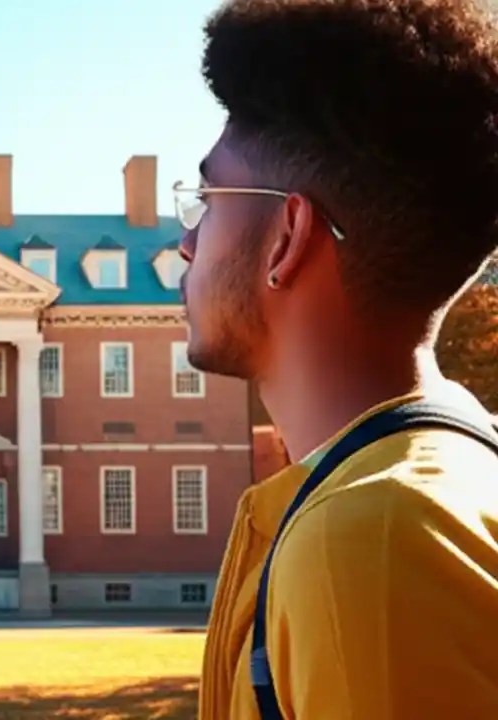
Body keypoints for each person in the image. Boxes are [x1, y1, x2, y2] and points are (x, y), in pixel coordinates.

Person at [176, 0, 498, 717]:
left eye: (206, 200)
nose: (185, 242)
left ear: (287, 237)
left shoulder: (369, 537)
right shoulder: (435, 481)